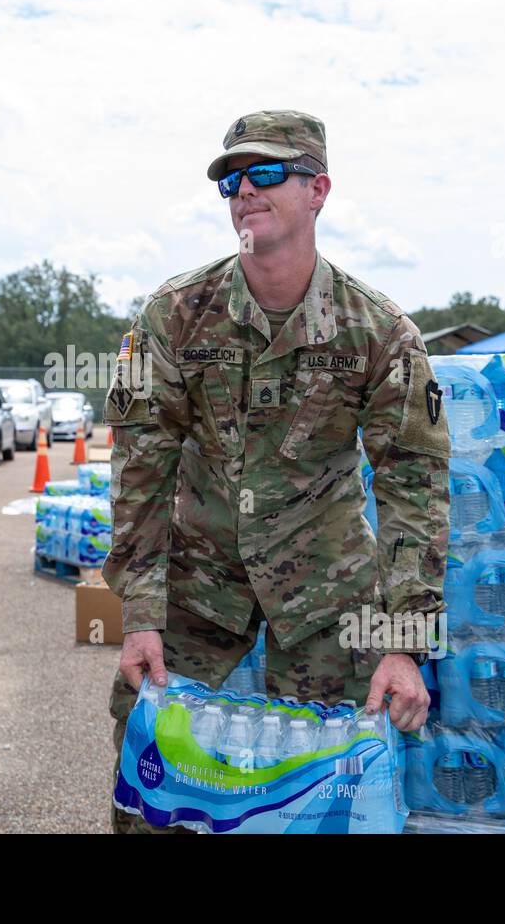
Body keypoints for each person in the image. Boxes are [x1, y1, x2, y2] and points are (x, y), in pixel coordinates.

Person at [103, 109, 451, 833]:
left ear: (319, 189)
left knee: (334, 796)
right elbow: (141, 471)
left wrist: (404, 643)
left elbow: (414, 488)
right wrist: (137, 615)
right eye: (231, 178)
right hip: (202, 580)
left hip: (327, 592)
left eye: (266, 173)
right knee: (147, 784)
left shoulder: (379, 332)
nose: (244, 190)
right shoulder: (173, 316)